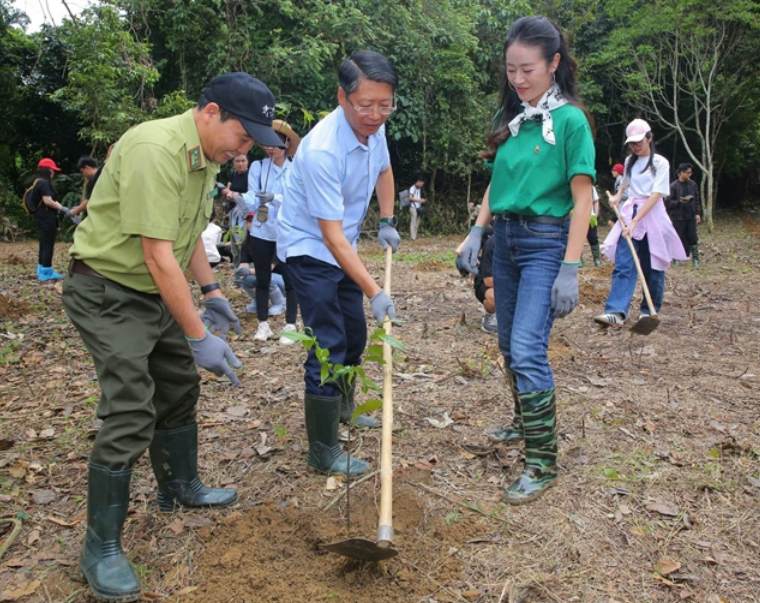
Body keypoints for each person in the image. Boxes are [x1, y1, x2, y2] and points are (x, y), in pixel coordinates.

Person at [61, 72, 286, 603]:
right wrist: (199, 333)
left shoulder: (203, 159)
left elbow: (183, 235)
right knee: (131, 406)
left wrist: (210, 290)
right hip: (107, 289)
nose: (245, 147)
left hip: (149, 290)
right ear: (211, 112)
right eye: (243, 134)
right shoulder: (154, 149)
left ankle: (178, 485)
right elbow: (156, 254)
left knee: (180, 385)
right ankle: (101, 546)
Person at [458, 16, 595, 505]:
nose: (518, 79)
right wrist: (477, 230)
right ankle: (522, 422)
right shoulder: (510, 117)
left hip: (545, 242)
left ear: (554, 63)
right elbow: (498, 182)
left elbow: (582, 199)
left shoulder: (571, 122)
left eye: (528, 70)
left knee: (529, 348)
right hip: (508, 239)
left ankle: (542, 463)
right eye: (511, 69)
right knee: (508, 343)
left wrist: (570, 268)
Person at [277, 50, 400, 476]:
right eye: (365, 105)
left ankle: (345, 406)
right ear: (342, 97)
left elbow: (383, 172)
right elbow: (328, 234)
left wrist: (387, 220)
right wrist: (375, 290)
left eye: (385, 105)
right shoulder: (322, 150)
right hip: (309, 249)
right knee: (327, 341)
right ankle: (323, 449)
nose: (375, 114)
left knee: (354, 331)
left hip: (340, 246)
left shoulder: (375, 130)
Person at [594, 119, 687, 327]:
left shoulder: (660, 163)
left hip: (652, 216)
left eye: (639, 141)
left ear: (649, 138)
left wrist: (636, 221)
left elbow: (655, 196)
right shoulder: (629, 162)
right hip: (630, 214)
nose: (635, 146)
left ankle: (648, 310)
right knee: (624, 264)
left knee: (653, 265)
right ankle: (615, 312)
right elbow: (625, 185)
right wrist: (617, 197)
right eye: (632, 143)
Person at [238, 120, 301, 343]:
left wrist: (275, 198)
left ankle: (290, 324)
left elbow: (297, 202)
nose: (271, 147)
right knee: (262, 277)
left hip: (287, 231)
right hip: (262, 231)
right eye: (267, 143)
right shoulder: (258, 167)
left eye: (276, 142)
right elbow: (252, 196)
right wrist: (239, 200)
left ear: (286, 143)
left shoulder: (295, 170)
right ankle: (263, 324)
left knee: (292, 278)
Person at [29, 158, 76, 281]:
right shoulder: (44, 183)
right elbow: (48, 201)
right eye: (52, 170)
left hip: (41, 217)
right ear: (47, 170)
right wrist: (63, 209)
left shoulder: (37, 181)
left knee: (44, 243)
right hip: (46, 218)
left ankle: (41, 268)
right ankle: (46, 271)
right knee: (48, 244)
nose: (53, 172)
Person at [666, 162, 702, 267]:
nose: (689, 175)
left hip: (690, 215)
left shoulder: (692, 184)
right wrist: (679, 202)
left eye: (690, 173)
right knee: (678, 237)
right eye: (688, 172)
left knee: (693, 237)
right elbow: (668, 203)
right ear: (681, 172)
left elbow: (696, 200)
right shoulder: (673, 186)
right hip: (678, 216)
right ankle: (676, 258)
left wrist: (697, 213)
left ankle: (696, 260)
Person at [222, 153, 250, 265]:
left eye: (243, 160)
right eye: (237, 161)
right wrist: (229, 193)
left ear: (247, 161)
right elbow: (228, 189)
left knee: (242, 240)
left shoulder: (250, 175)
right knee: (234, 239)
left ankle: (243, 264)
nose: (240, 164)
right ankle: (237, 264)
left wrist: (233, 195)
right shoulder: (233, 174)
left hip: (245, 214)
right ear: (233, 163)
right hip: (233, 211)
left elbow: (249, 195)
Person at [474, 232, 497, 333]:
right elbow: (488, 281)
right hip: (487, 282)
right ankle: (491, 315)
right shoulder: (492, 244)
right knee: (494, 296)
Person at [586, 187, 602, 267]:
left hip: (591, 217)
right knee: (578, 238)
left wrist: (596, 214)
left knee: (593, 238)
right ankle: (579, 259)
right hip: (577, 217)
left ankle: (596, 259)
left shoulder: (591, 188)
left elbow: (596, 201)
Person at [608, 163, 626, 228]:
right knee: (611, 222)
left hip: (623, 208)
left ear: (618, 172)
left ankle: (619, 236)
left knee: (612, 222)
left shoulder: (622, 181)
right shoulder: (617, 181)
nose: (612, 172)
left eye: (614, 171)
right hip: (619, 207)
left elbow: (626, 195)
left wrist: (616, 197)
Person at [408, 175, 426, 240]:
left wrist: (421, 201)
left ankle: (415, 236)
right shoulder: (413, 188)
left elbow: (417, 197)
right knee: (413, 222)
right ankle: (412, 237)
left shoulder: (419, 189)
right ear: (418, 181)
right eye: (422, 184)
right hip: (413, 207)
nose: (422, 185)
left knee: (417, 222)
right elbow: (410, 198)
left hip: (418, 207)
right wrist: (419, 200)